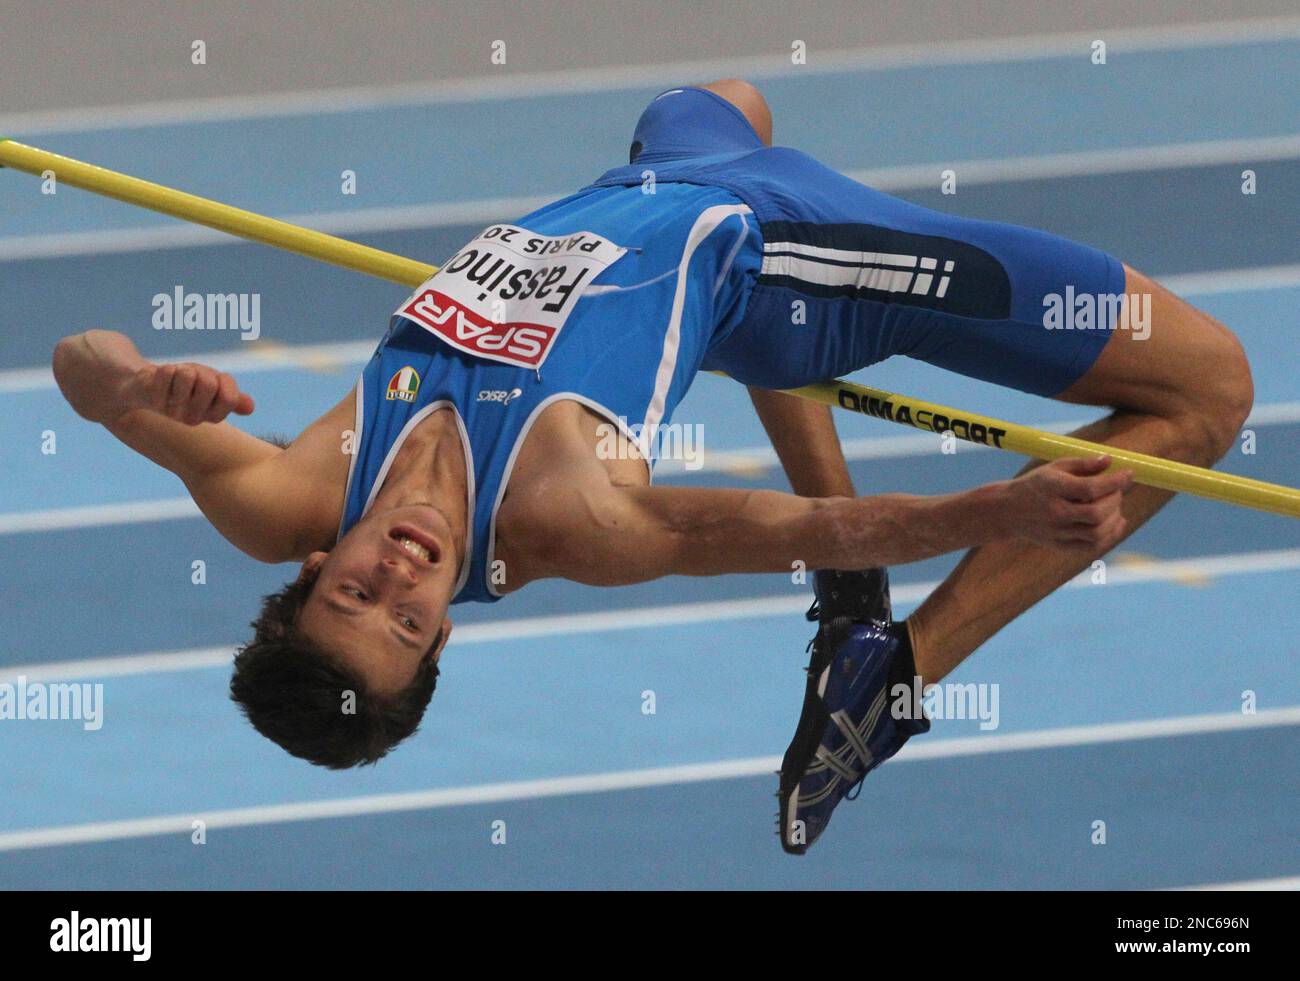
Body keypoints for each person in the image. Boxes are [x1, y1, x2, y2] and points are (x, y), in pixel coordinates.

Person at [51, 80, 1251, 853]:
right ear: (442, 638)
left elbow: (79, 367)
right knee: (1208, 388)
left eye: (356, 592)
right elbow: (785, 531)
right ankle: (900, 673)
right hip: (802, 254)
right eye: (410, 620)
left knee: (724, 94)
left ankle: (851, 627)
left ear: (314, 567)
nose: (399, 575)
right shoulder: (576, 524)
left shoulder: (282, 496)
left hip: (658, 177)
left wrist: (138, 385)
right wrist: (996, 506)